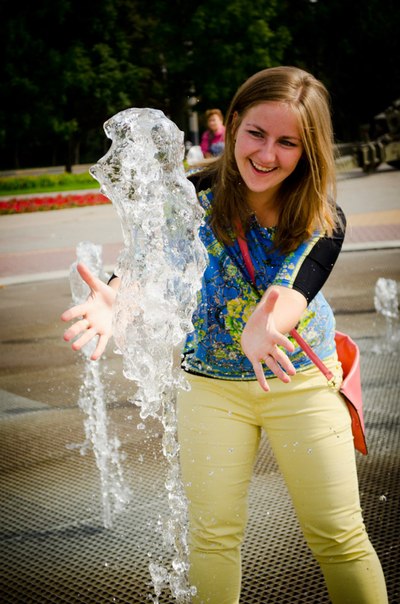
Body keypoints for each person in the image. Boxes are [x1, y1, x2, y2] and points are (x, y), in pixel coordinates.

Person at [61, 66, 388, 604]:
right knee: (211, 539)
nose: (267, 154)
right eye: (256, 133)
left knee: (339, 538)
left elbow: (291, 291)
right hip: (210, 387)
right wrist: (118, 295)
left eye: (288, 143)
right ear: (233, 125)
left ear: (308, 150)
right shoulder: (191, 198)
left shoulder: (321, 216)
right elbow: (150, 259)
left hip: (300, 382)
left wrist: (266, 326)